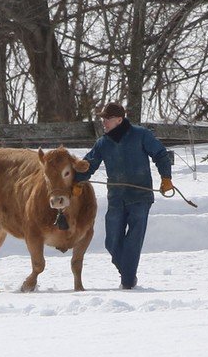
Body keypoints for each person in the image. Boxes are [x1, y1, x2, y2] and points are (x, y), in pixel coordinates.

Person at [74, 102, 174, 290]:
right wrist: (76, 181)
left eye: (108, 118)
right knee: (111, 241)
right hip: (116, 198)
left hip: (140, 196)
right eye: (103, 118)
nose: (104, 122)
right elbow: (88, 165)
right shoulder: (103, 143)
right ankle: (129, 274)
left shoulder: (141, 135)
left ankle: (127, 282)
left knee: (133, 240)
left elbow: (160, 154)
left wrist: (166, 177)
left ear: (119, 120)